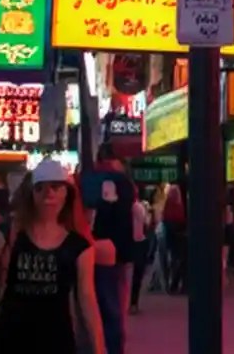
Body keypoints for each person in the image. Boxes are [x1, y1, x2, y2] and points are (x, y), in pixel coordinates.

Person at [0, 159, 105, 354]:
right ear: (31, 193)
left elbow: (88, 302)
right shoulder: (8, 234)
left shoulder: (79, 247)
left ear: (67, 193)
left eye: (55, 187)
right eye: (40, 188)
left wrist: (99, 348)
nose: (48, 193)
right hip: (7, 341)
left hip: (55, 342)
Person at [81, 145, 141, 354]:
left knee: (89, 297)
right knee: (115, 302)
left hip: (89, 247)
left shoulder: (87, 179)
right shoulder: (124, 182)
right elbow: (134, 213)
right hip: (117, 249)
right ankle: (114, 345)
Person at [161, 184, 188, 294]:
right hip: (179, 239)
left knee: (173, 262)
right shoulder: (179, 207)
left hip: (170, 239)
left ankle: (173, 286)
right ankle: (178, 285)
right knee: (181, 262)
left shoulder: (168, 206)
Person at [130, 192, 152, 314]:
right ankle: (133, 303)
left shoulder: (121, 207)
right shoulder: (139, 207)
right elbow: (147, 222)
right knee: (137, 274)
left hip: (127, 242)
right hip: (139, 241)